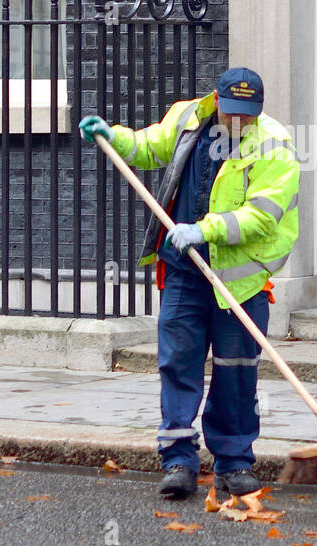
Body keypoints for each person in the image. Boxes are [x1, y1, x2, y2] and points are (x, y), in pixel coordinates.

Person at [79, 67, 299, 500]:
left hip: (241, 281)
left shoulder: (275, 146)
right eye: (232, 113)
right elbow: (149, 147)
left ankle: (235, 464)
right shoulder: (187, 119)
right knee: (179, 365)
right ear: (215, 101)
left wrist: (204, 230)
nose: (239, 124)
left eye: (248, 116)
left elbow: (261, 216)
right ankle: (178, 460)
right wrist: (114, 136)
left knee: (236, 374)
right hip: (183, 272)